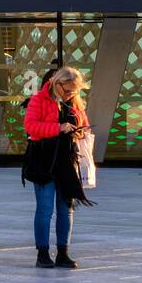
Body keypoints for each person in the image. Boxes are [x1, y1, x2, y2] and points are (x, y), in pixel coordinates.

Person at [22, 66, 95, 269]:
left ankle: (63, 252)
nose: (71, 93)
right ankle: (42, 253)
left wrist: (80, 132)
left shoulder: (76, 103)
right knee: (45, 209)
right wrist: (58, 128)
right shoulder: (39, 99)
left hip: (67, 162)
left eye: (75, 90)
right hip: (44, 160)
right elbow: (30, 126)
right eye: (68, 89)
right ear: (57, 83)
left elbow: (85, 125)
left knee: (66, 209)